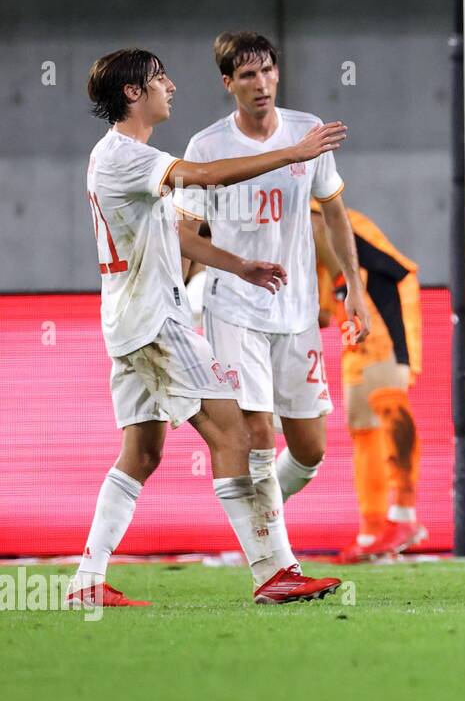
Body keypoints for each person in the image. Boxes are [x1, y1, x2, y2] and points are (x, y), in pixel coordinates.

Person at [75, 47, 345, 606]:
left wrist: (238, 264)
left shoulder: (118, 158)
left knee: (142, 454)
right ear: (133, 93)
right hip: (156, 324)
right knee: (236, 434)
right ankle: (273, 571)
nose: (170, 86)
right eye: (158, 79)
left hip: (129, 322)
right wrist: (290, 153)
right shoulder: (127, 155)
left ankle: (88, 580)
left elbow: (176, 236)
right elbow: (203, 175)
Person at [175, 31, 372, 546]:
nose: (260, 84)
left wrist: (353, 284)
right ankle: (275, 561)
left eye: (267, 71)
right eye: (246, 75)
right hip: (233, 308)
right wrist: (219, 275)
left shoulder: (310, 134)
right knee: (256, 433)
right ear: (228, 83)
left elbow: (333, 212)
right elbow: (183, 235)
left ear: (277, 72)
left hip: (298, 310)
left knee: (310, 450)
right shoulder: (207, 146)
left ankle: (257, 521)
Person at [313, 200, 426, 563]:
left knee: (387, 400)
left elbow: (322, 235)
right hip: (350, 310)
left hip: (378, 299)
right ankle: (373, 531)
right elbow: (320, 314)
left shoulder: (312, 213)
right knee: (362, 425)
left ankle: (404, 516)